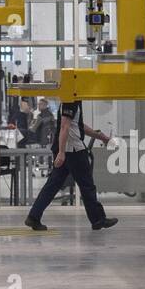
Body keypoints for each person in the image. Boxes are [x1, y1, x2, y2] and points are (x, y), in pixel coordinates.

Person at [24, 99, 117, 231]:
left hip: (68, 150)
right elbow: (64, 126)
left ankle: (34, 216)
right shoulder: (71, 100)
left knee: (52, 185)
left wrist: (101, 137)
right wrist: (61, 152)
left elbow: (78, 126)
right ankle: (98, 219)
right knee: (87, 185)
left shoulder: (71, 100)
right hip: (73, 151)